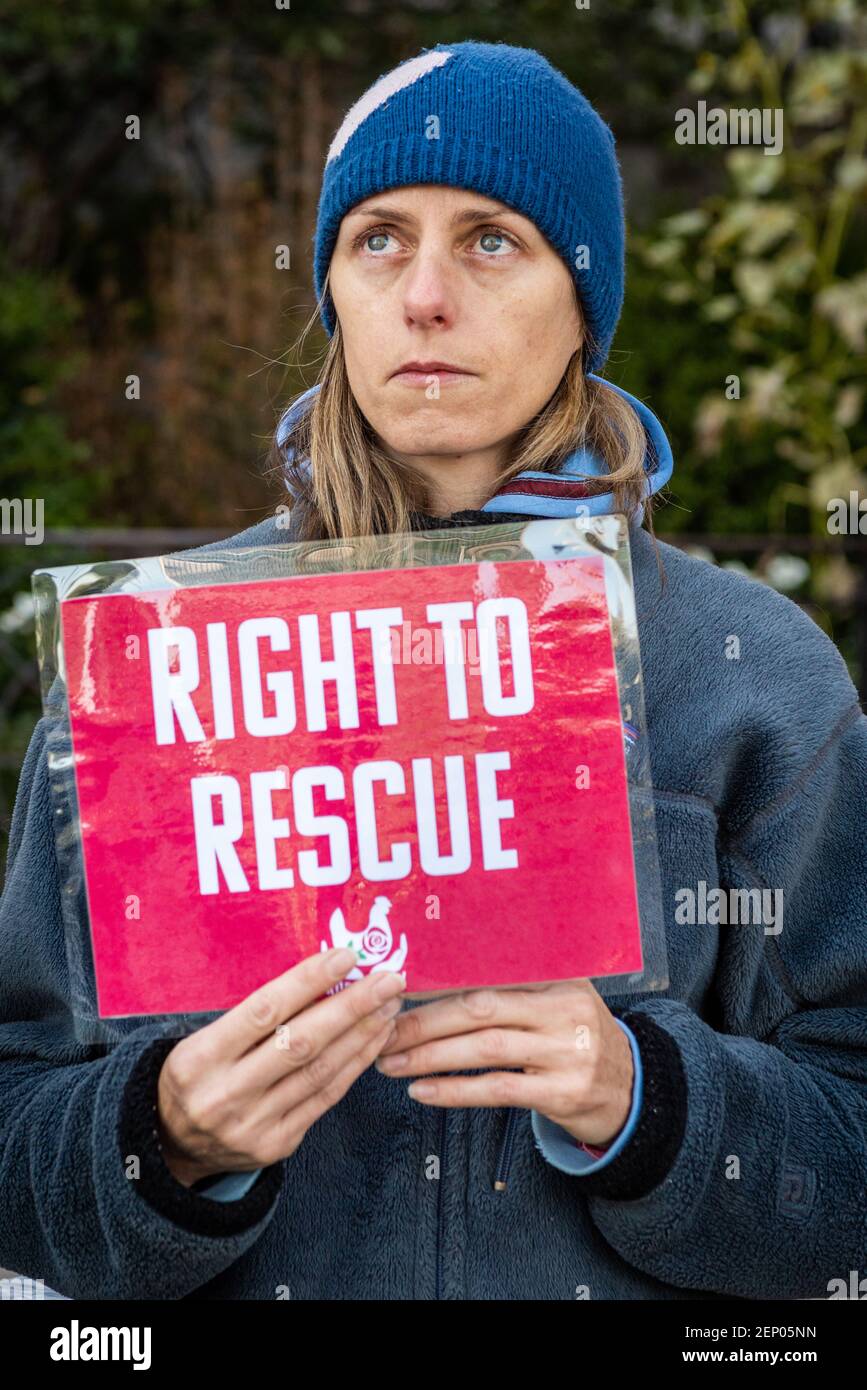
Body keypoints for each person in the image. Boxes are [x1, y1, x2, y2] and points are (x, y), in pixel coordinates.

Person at [1, 39, 865, 1303]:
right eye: (380, 240)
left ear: (584, 303)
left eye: (492, 241)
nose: (424, 296)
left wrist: (652, 1103)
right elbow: (19, 1133)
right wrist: (162, 1137)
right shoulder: (154, 665)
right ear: (334, 291)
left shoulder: (755, 680)